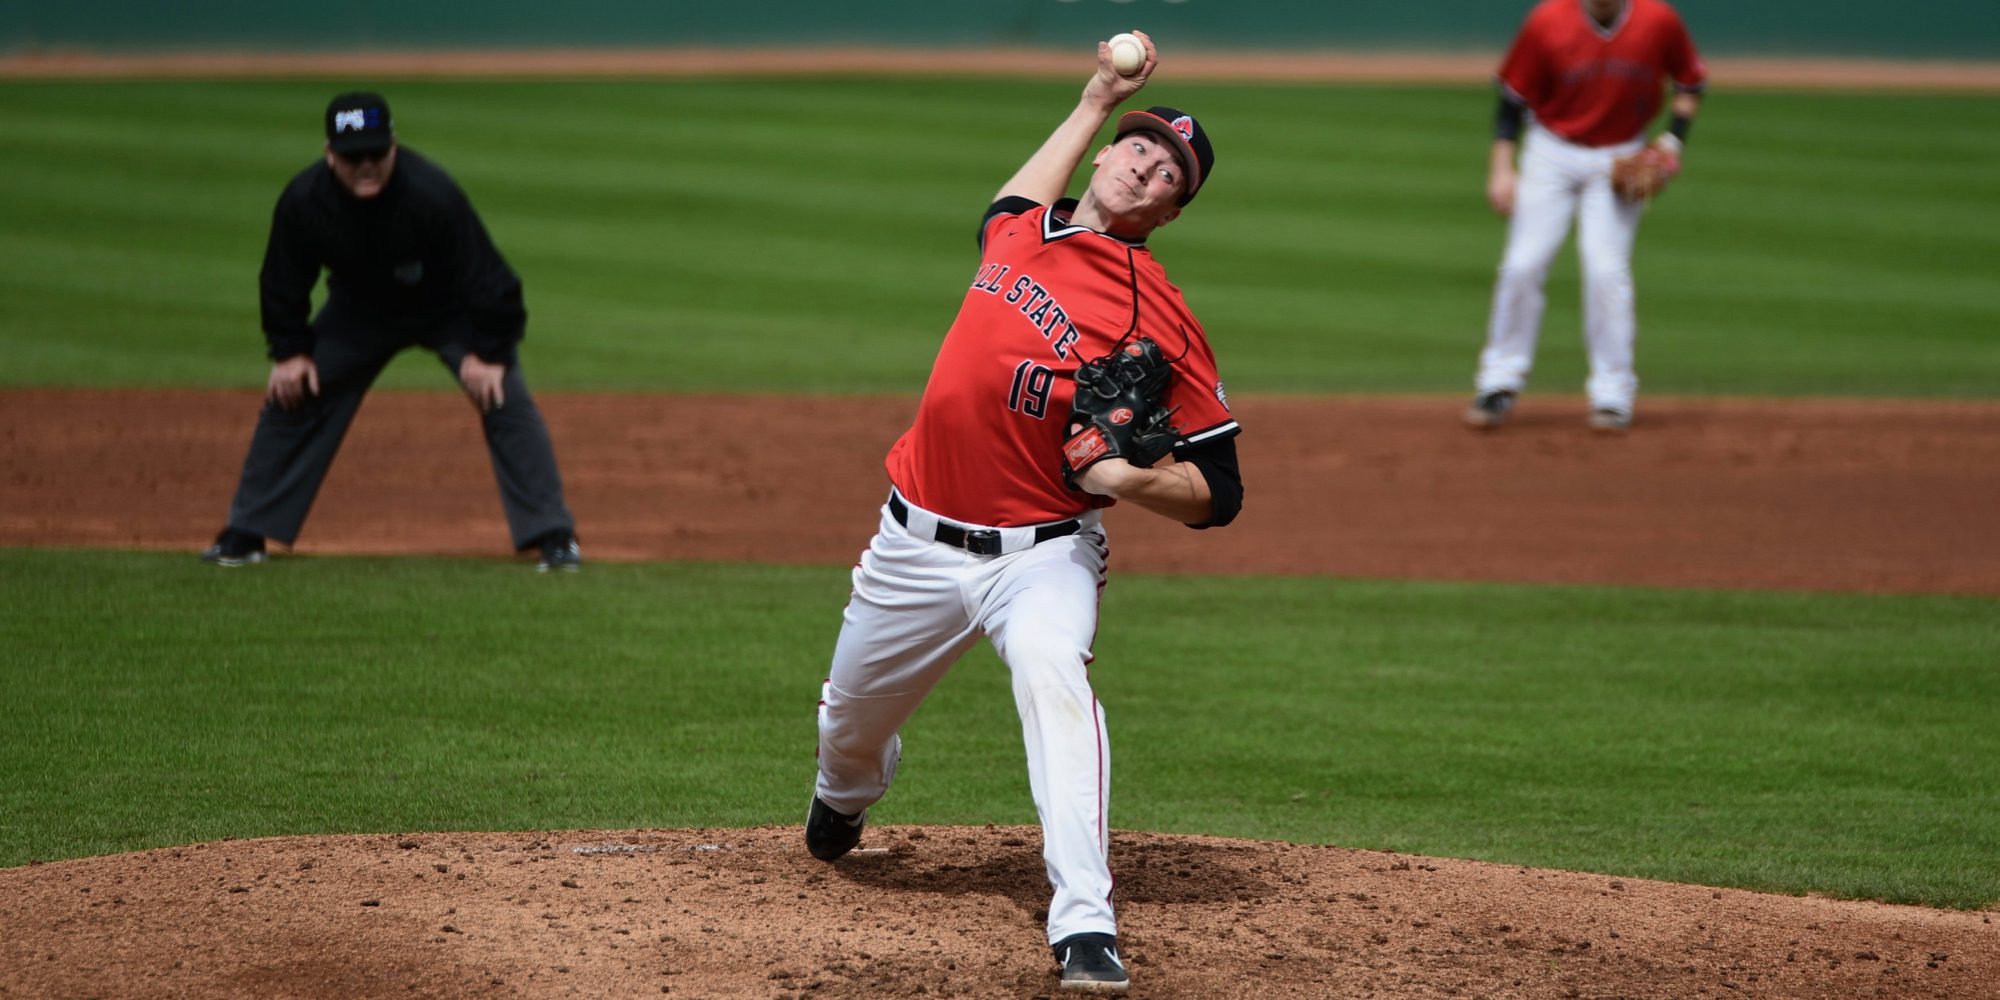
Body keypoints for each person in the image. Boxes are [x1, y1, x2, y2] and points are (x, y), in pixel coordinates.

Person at [801, 33, 1242, 994]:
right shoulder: (1020, 232)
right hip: (911, 543)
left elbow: (1223, 490)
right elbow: (1007, 202)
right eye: (1138, 147)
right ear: (1104, 155)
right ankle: (846, 794)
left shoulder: (1158, 311)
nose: (1146, 166)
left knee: (1054, 678)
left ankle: (1085, 924)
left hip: (1041, 554)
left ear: (1170, 208)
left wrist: (1127, 482)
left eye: (1169, 171)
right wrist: (1094, 96)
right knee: (846, 729)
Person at [201, 91, 582, 570]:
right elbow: (282, 282)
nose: (366, 165)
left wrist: (488, 353)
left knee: (503, 394)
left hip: (449, 309)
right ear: (328, 154)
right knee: (293, 391)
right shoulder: (305, 201)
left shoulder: (431, 193)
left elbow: (491, 279)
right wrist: (289, 352)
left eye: (376, 153)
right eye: (352, 155)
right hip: (360, 312)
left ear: (394, 147)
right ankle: (247, 530)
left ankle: (554, 534)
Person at [1463, 0, 1706, 432]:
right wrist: (1502, 167)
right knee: (1523, 264)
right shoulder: (1548, 21)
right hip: (1551, 153)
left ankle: (1612, 395)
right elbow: (1511, 101)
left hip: (1620, 155)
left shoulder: (1658, 21)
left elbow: (1690, 83)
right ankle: (1497, 383)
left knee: (1605, 270)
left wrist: (1672, 143)